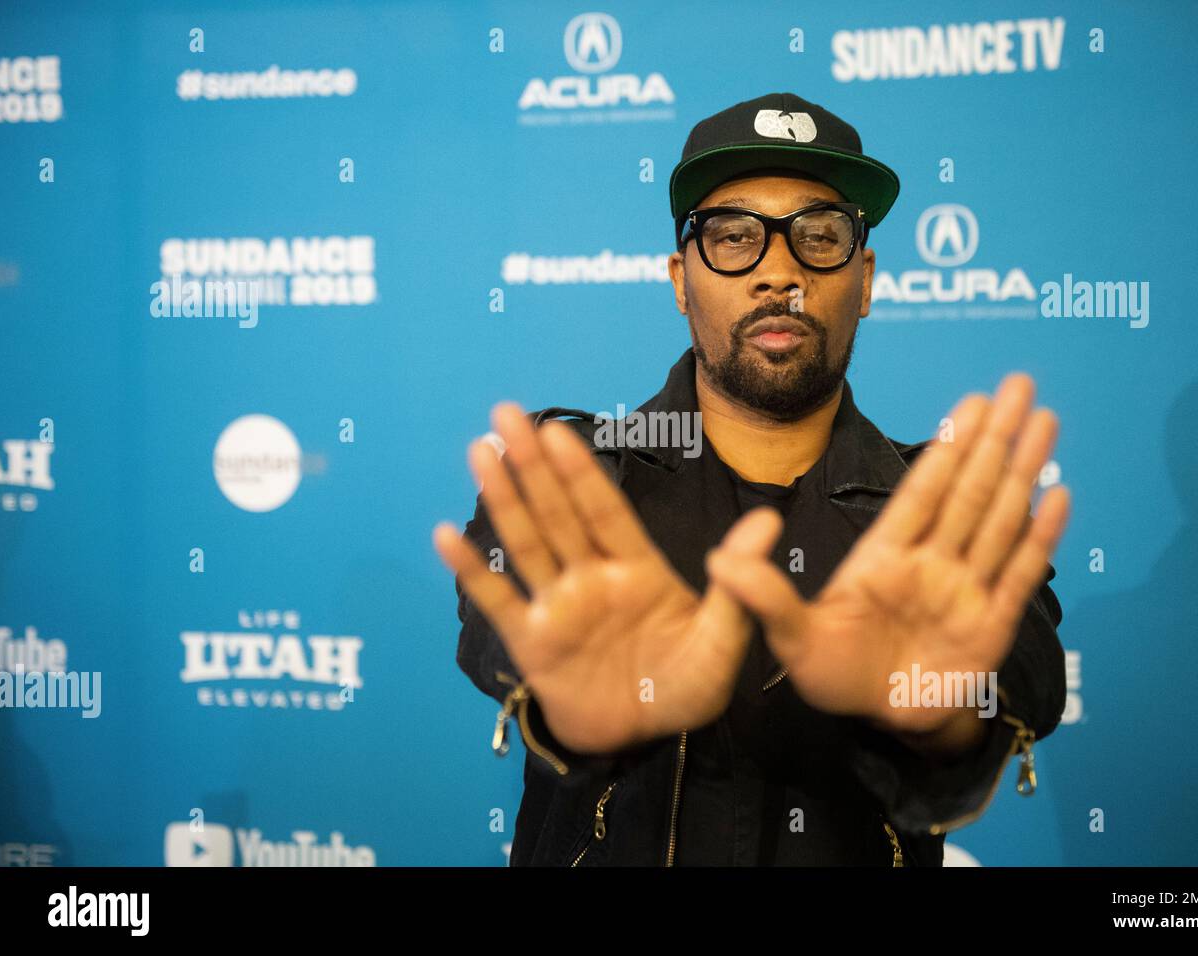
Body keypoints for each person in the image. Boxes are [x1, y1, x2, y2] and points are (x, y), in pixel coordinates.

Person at [433, 92, 1070, 866]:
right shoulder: (573, 476)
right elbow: (497, 620)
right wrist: (573, 710)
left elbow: (1025, 668)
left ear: (864, 281)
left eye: (820, 236)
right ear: (680, 279)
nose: (779, 271)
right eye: (733, 236)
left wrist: (938, 716)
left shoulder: (937, 510)